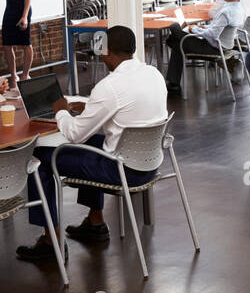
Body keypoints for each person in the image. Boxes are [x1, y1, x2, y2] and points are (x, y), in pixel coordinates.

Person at [18, 25, 167, 263]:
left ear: (107, 52)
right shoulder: (153, 73)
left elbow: (75, 135)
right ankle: (95, 222)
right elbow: (129, 109)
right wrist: (90, 108)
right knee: (98, 142)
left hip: (122, 171)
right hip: (150, 164)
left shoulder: (109, 86)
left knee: (39, 159)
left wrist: (60, 112)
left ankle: (51, 242)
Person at [165, 0, 247, 95]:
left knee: (174, 27)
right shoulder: (239, 9)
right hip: (225, 46)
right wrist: (204, 28)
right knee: (178, 44)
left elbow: (212, 35)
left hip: (213, 48)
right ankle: (173, 85)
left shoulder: (226, 12)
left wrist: (195, 29)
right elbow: (219, 30)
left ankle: (173, 84)